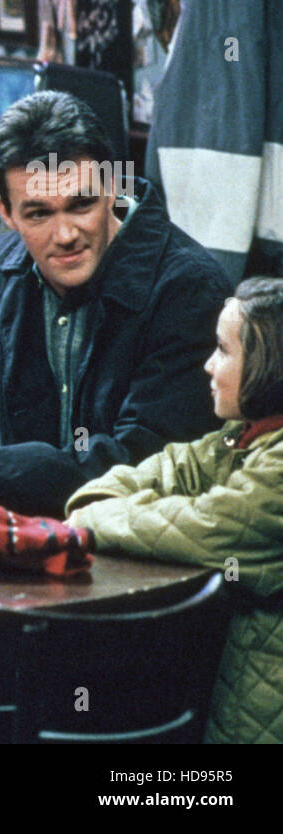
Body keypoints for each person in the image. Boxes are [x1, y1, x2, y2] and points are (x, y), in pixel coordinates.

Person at [0, 91, 231, 516]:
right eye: (38, 214)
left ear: (113, 186)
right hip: (13, 550)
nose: (65, 234)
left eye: (81, 204)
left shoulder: (189, 291)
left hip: (140, 556)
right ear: (6, 214)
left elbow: (145, 463)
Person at [66, 278, 283, 744]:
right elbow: (156, 472)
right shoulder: (241, 441)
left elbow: (203, 528)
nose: (208, 365)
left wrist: (94, 516)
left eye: (223, 351)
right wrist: (95, 502)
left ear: (269, 367)